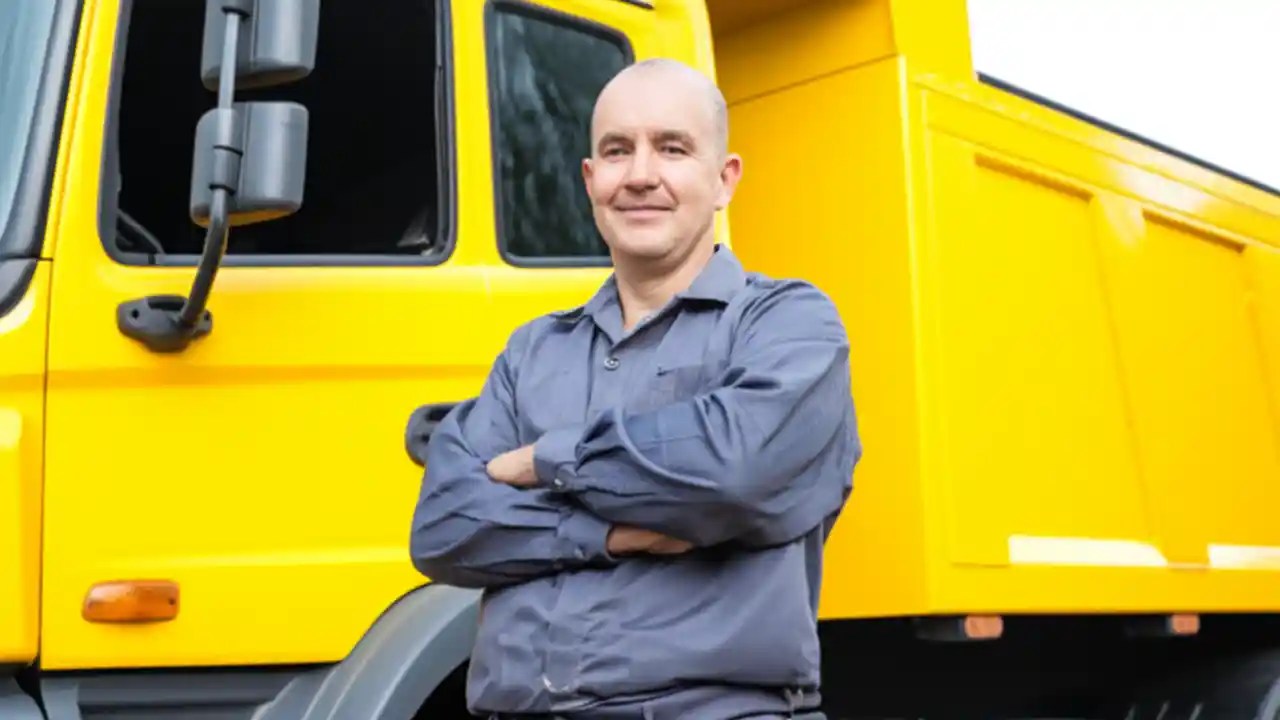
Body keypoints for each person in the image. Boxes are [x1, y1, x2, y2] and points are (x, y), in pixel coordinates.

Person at [409, 57, 860, 720]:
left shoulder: (786, 323)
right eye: (618, 151)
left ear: (724, 179)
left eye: (672, 149)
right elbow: (444, 526)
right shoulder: (533, 350)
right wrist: (615, 532)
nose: (641, 175)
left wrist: (545, 460)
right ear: (591, 179)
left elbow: (729, 469)